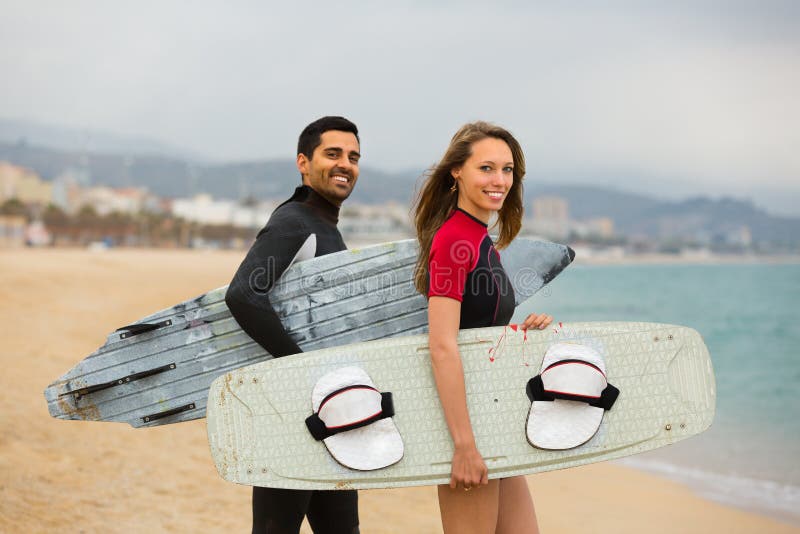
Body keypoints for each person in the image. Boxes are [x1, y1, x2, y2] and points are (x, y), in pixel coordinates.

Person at [413, 121, 553, 534]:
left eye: (508, 170)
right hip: (469, 429)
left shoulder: (479, 240)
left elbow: (476, 332)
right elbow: (441, 346)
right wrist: (464, 446)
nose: (500, 180)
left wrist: (520, 334)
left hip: (494, 420)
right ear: (457, 171)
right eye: (487, 168)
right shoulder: (454, 240)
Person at [225, 116, 362, 534]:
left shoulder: (323, 226)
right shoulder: (295, 222)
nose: (345, 164)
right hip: (292, 412)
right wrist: (301, 369)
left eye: (353, 157)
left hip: (324, 409)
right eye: (333, 154)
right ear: (303, 162)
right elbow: (245, 293)